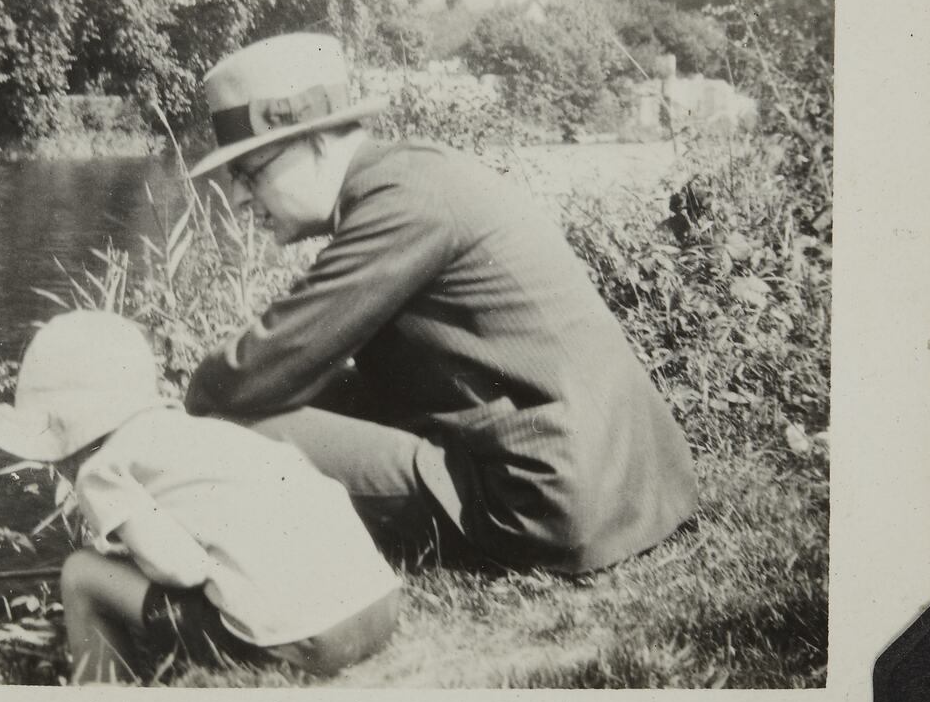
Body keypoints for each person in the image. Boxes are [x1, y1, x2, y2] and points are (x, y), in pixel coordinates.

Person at [184, 33, 697, 575]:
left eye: (250, 172)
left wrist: (188, 402)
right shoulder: (412, 176)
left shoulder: (397, 206)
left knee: (225, 428)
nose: (240, 198)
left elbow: (248, 374)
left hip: (547, 506)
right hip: (622, 480)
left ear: (314, 140)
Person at [0, 310, 402, 684]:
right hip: (378, 608)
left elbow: (182, 570)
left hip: (311, 643)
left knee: (81, 573)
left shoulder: (100, 471)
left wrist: (130, 559)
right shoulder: (202, 433)